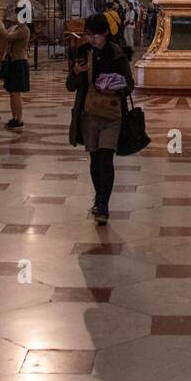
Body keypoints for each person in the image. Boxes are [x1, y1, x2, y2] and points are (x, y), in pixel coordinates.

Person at [66, 12, 133, 225]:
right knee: (95, 159)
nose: (91, 39)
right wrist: (76, 71)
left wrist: (114, 88)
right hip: (89, 114)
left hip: (112, 115)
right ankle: (99, 197)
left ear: (105, 33)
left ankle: (103, 203)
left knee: (106, 157)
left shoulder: (116, 53)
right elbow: (70, 86)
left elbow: (129, 85)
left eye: (95, 35)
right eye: (88, 35)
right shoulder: (82, 52)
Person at [0, 4, 31, 129]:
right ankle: (14, 117)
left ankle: (19, 119)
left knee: (16, 93)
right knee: (11, 92)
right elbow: (2, 36)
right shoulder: (15, 27)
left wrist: (0, 23)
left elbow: (8, 37)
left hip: (19, 62)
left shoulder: (24, 29)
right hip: (12, 62)